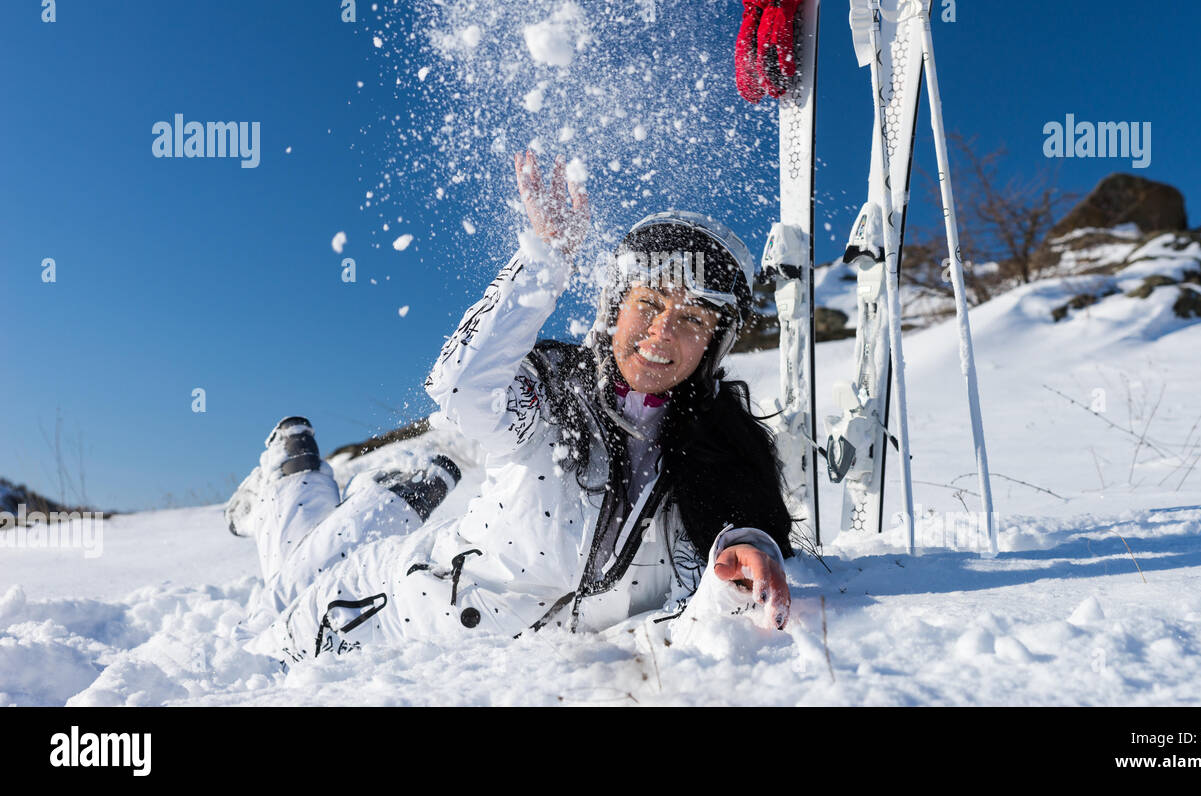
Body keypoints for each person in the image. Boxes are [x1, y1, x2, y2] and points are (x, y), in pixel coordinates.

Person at [225, 151, 795, 664]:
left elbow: (741, 509)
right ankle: (290, 477)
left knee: (295, 569)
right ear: (614, 307)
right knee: (255, 637)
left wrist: (750, 544)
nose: (663, 332)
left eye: (692, 319)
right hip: (372, 616)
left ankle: (374, 490)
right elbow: (461, 387)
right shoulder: (553, 391)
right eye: (648, 303)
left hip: (483, 671)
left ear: (713, 345)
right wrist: (544, 261)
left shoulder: (717, 446)